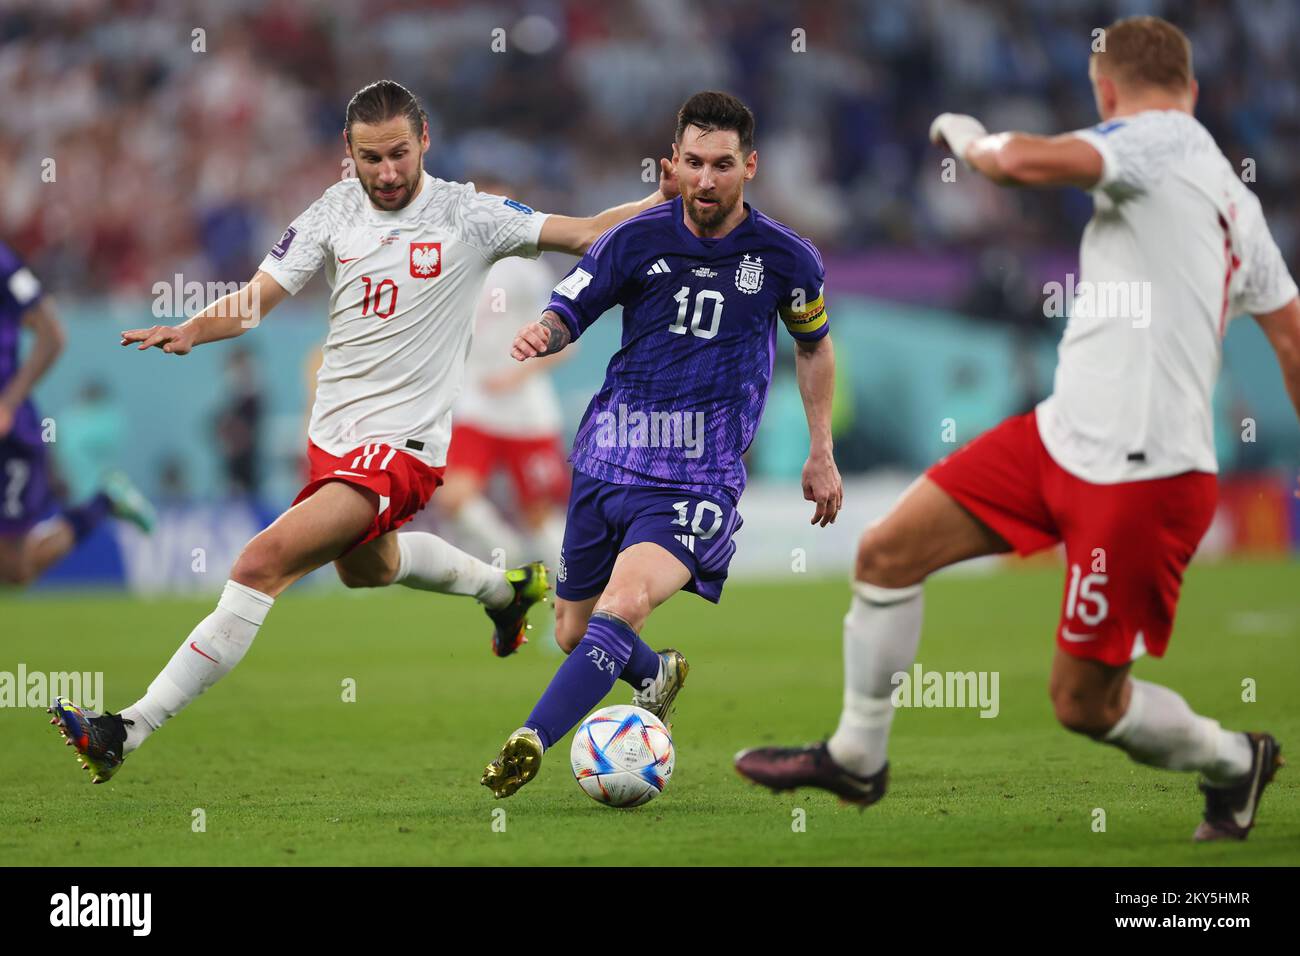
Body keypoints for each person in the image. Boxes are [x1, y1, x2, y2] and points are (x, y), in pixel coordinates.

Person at [735, 16, 1295, 842]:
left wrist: (971, 139)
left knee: (1084, 703)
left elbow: (1026, 162)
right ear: (1196, 89)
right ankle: (857, 756)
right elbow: (1287, 338)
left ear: (1106, 91)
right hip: (1062, 435)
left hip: (1142, 472)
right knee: (887, 553)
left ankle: (1233, 759)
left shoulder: (1152, 140)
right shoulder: (1235, 199)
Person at [49, 79, 679, 784]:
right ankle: (505, 591)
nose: (386, 173)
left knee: (260, 564)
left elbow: (588, 230)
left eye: (399, 155)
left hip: (402, 448)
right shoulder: (331, 211)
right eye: (370, 158)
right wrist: (194, 328)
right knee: (366, 568)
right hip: (336, 440)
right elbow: (258, 300)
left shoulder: (470, 214)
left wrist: (666, 197)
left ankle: (124, 729)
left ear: (425, 143)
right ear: (347, 153)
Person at [481, 91, 843, 799]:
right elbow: (571, 306)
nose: (707, 180)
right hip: (606, 458)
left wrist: (820, 449)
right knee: (571, 630)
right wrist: (542, 333)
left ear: (751, 166)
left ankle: (531, 738)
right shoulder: (636, 237)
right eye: (695, 163)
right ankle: (653, 674)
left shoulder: (786, 258)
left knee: (624, 606)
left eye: (723, 165)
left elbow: (814, 349)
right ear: (672, 164)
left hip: (696, 477)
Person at [0, 240, 153, 588]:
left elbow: (51, 335)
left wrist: (8, 403)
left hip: (10, 437)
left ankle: (103, 503)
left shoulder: (4, 264)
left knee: (14, 571)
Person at [438, 176, 571, 574]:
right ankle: (511, 562)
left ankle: (580, 598)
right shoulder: (454, 265)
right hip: (477, 404)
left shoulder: (528, 269)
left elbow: (566, 339)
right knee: (453, 497)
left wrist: (517, 374)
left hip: (525, 410)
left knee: (539, 514)